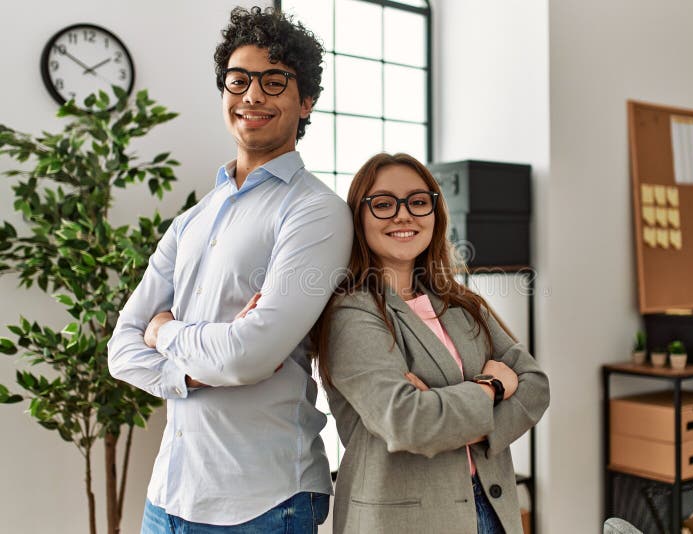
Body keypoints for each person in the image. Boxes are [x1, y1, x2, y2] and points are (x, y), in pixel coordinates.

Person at [107, 6, 352, 533]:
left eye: (273, 81)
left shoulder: (315, 212)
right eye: (238, 80)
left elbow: (251, 355)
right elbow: (121, 348)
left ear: (305, 101)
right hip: (167, 497)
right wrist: (193, 367)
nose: (252, 96)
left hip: (262, 502)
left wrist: (164, 330)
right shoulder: (194, 218)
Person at [314, 153, 550, 534]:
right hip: (403, 521)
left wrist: (447, 416)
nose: (404, 215)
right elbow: (409, 423)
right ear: (359, 216)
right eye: (384, 204)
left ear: (435, 213)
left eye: (418, 202)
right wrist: (492, 387)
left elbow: (535, 384)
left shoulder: (459, 302)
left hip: (491, 508)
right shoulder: (352, 311)